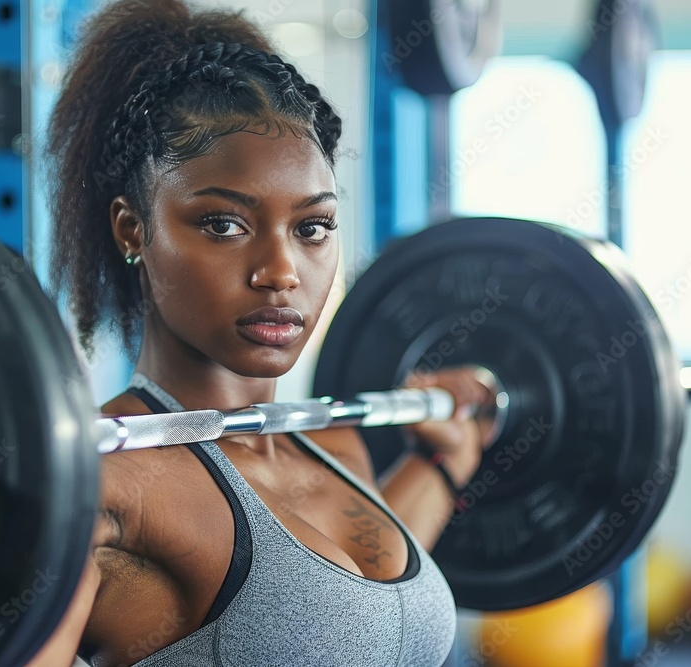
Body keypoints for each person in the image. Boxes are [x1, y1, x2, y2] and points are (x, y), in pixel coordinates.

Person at [33, 1, 491, 664]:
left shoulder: (335, 446)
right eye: (224, 224)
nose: (280, 272)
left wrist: (446, 461)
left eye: (312, 228)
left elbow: (365, 626)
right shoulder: (102, 481)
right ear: (133, 229)